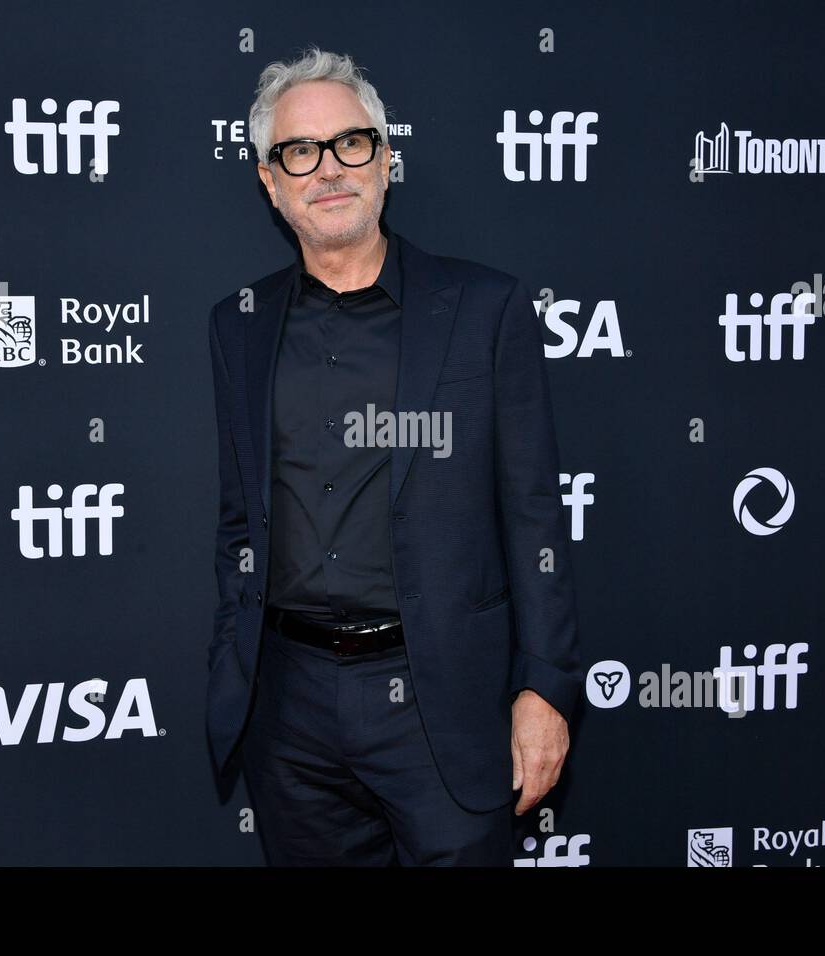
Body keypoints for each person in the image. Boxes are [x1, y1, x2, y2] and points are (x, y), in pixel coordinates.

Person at [205, 46, 582, 866]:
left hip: (442, 698)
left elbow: (534, 512)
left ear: (385, 160)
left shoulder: (484, 309)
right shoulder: (238, 323)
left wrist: (545, 685)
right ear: (271, 182)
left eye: (352, 143)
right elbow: (240, 516)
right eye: (299, 151)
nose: (328, 169)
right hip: (289, 706)